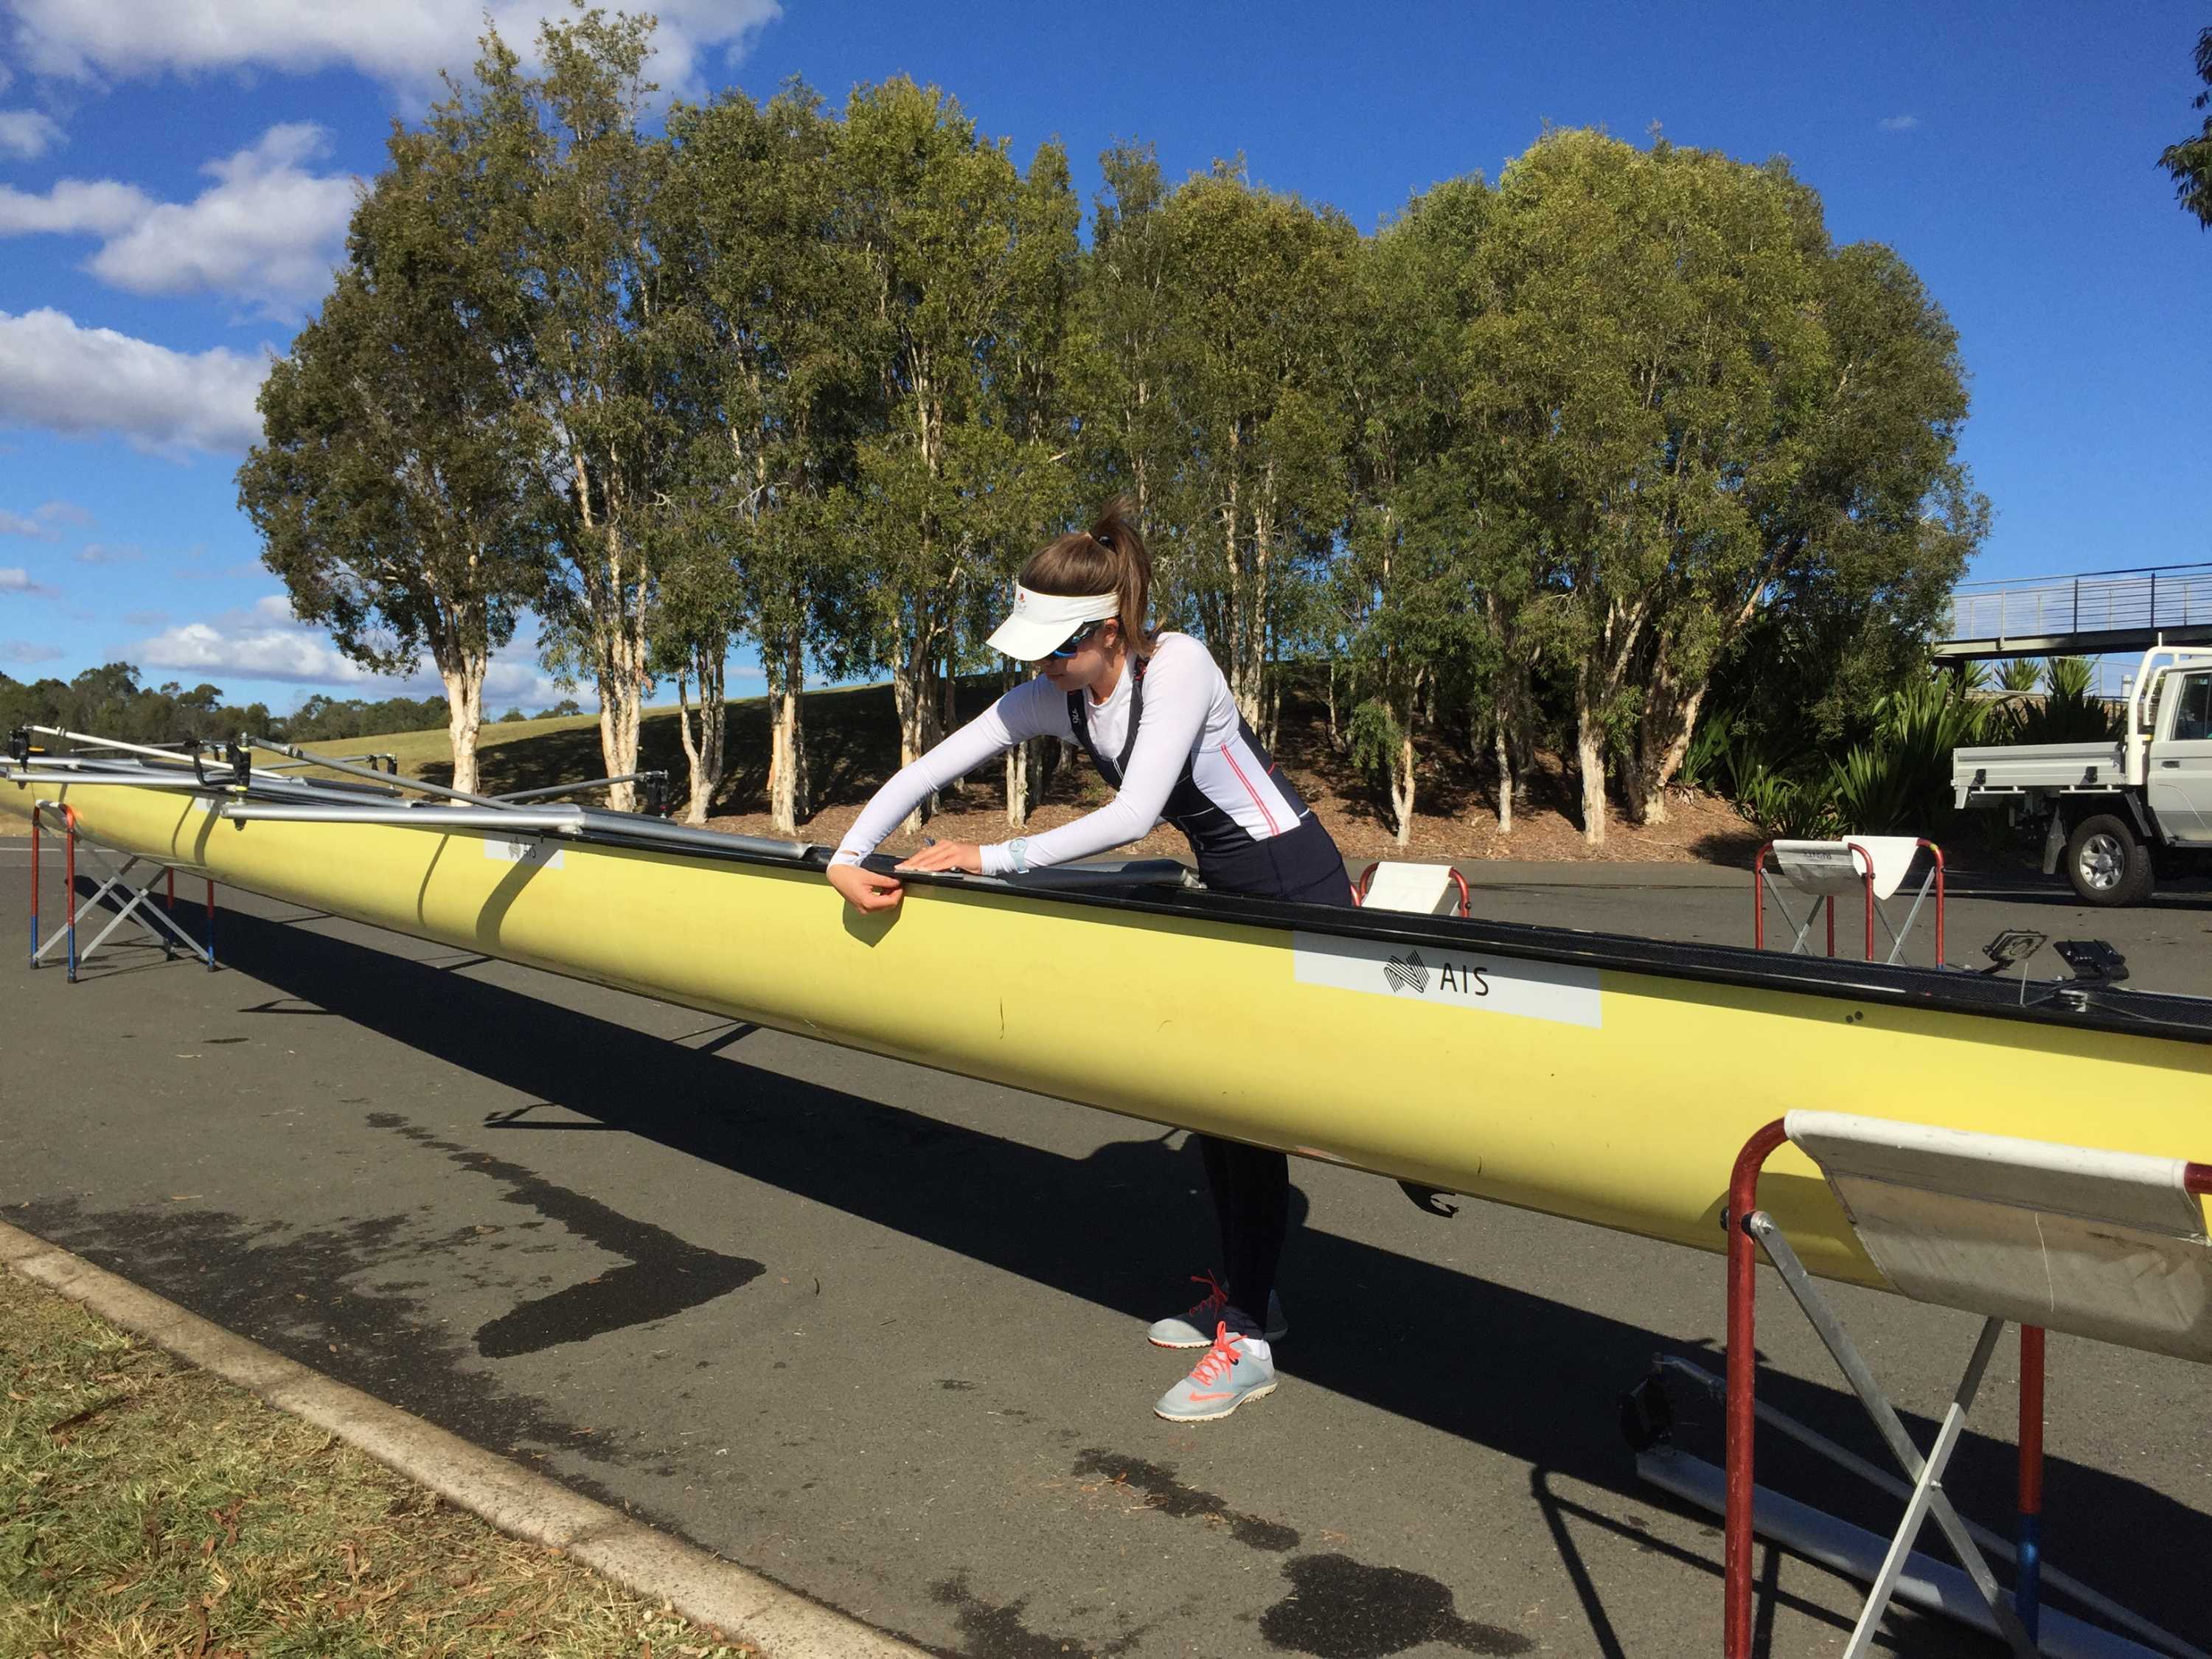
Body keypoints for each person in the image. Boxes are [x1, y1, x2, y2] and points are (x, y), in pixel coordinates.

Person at [826, 501, 1354, 1423]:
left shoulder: (1178, 664)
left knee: (1249, 1110)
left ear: (1108, 630)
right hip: (1230, 889)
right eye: (1032, 653)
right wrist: (845, 856)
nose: (1039, 669)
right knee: (1216, 1106)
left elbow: (1132, 815)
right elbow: (928, 769)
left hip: (1296, 883)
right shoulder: (1060, 693)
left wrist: (990, 857)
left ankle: (1249, 1340)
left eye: (1053, 650)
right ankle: (1250, 1297)